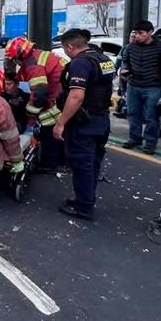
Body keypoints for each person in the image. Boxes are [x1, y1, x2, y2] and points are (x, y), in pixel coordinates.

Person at [54, 29, 115, 220]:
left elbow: (76, 96)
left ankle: (83, 207)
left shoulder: (80, 63)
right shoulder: (103, 59)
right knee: (92, 163)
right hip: (102, 119)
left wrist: (61, 123)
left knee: (82, 165)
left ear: (69, 47)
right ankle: (86, 198)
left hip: (84, 122)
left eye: (66, 50)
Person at [5, 36, 66, 172]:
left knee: (48, 130)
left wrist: (30, 113)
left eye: (15, 59)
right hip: (61, 94)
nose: (16, 62)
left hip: (55, 98)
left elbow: (39, 93)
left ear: (20, 56)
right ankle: (62, 159)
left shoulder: (33, 65)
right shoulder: (38, 55)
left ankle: (49, 165)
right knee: (60, 131)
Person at [119, 21, 161, 154]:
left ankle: (150, 142)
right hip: (133, 85)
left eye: (141, 33)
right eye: (135, 33)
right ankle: (134, 138)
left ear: (150, 32)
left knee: (152, 116)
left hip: (154, 87)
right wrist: (126, 70)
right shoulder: (131, 47)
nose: (137, 36)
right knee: (133, 113)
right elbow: (125, 61)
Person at [114, 31, 138, 117]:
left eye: (134, 37)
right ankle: (123, 110)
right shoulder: (125, 48)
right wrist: (115, 70)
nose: (132, 39)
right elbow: (118, 60)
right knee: (124, 92)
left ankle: (126, 111)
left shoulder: (140, 49)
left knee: (129, 93)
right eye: (131, 37)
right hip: (124, 75)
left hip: (133, 77)